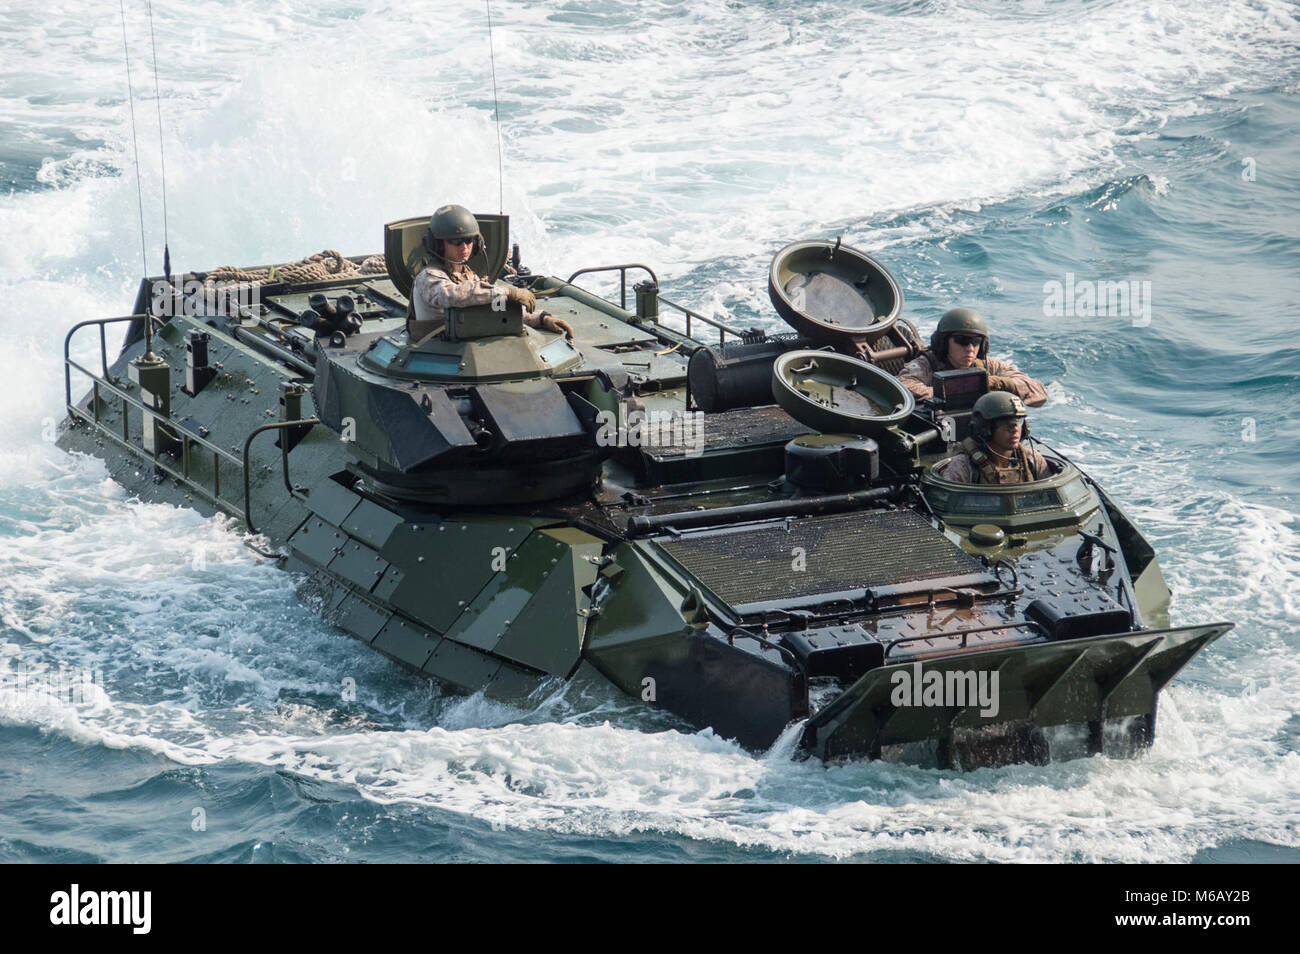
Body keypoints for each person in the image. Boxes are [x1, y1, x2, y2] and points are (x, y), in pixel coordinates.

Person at [409, 204, 575, 342]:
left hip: (466, 345)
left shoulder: (469, 276)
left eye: (469, 240)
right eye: (455, 241)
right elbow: (451, 296)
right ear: (438, 244)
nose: (464, 247)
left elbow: (496, 307)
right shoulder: (428, 277)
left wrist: (540, 319)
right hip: (434, 351)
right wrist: (508, 292)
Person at [898, 307, 1047, 407]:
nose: (970, 348)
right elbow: (903, 388)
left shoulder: (988, 366)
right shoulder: (924, 365)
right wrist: (966, 388)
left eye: (976, 342)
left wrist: (998, 384)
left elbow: (1039, 392)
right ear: (944, 342)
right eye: (962, 341)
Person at [940, 391, 1051, 484]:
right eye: (1005, 422)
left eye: (1018, 421)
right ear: (984, 428)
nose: (1015, 429)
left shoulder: (1032, 460)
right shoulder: (963, 467)